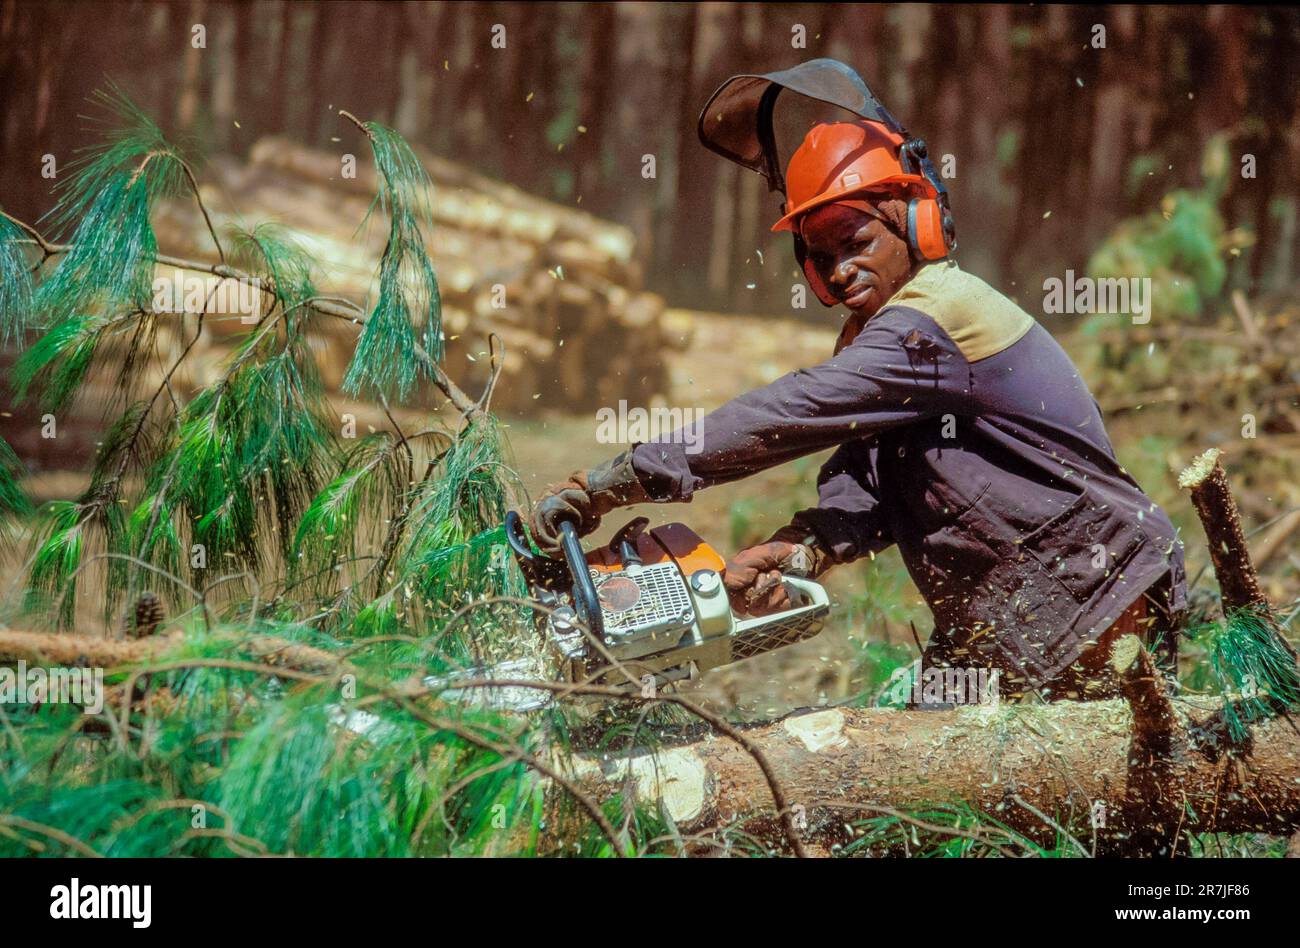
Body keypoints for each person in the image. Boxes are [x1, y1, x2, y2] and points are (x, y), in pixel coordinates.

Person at [530, 116, 1185, 702]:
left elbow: (786, 413)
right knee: (903, 819)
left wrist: (615, 481)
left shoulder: (936, 318)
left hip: (1097, 597)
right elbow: (865, 481)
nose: (840, 269)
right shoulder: (890, 341)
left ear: (911, 220)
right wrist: (804, 546)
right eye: (822, 254)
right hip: (1010, 622)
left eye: (854, 239)